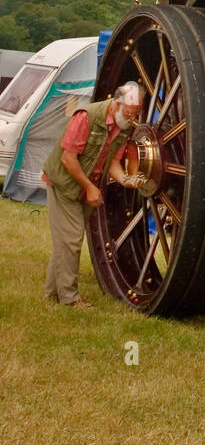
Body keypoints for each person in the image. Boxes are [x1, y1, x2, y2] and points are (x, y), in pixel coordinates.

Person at [42, 81, 145, 307]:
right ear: (117, 104)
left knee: (65, 242)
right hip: (64, 185)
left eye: (136, 113)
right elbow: (68, 159)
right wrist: (90, 187)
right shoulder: (86, 117)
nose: (132, 118)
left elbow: (114, 162)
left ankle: (52, 295)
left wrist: (126, 179)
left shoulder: (123, 124)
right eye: (130, 112)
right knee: (72, 240)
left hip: (85, 186)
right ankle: (69, 299)